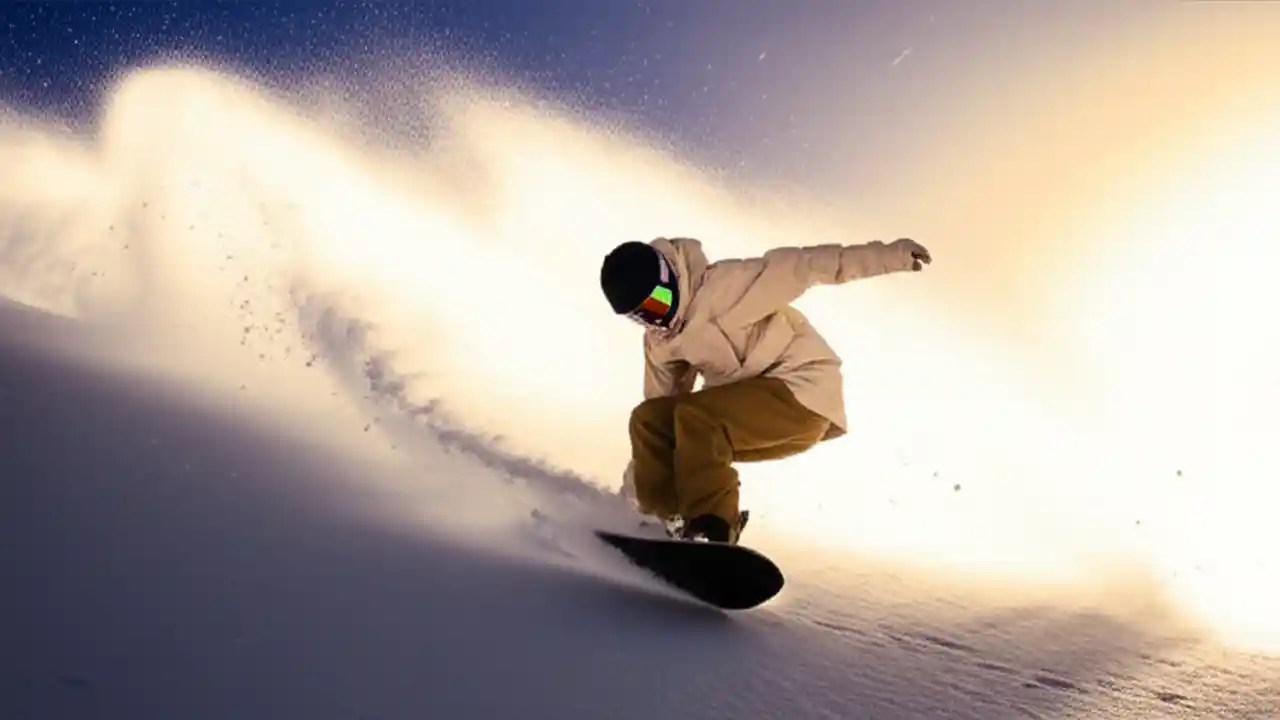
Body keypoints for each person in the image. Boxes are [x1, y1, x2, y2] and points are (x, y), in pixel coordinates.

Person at [599, 235, 932, 544]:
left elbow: (808, 264)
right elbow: (656, 436)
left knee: (695, 417)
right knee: (648, 418)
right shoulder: (662, 343)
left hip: (802, 389)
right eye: (644, 316)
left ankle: (714, 526)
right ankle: (658, 522)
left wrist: (894, 255)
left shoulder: (728, 285)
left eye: (659, 301)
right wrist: (628, 500)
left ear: (670, 276)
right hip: (746, 408)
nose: (658, 318)